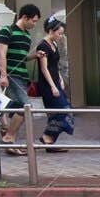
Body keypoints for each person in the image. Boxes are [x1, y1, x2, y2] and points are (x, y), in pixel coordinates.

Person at [0, 3, 40, 155]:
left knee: (17, 107)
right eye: (33, 21)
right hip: (11, 76)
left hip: (22, 76)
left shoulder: (27, 36)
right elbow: (2, 54)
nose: (34, 24)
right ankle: (9, 137)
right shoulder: (6, 31)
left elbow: (21, 57)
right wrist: (3, 75)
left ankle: (9, 138)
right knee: (25, 107)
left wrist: (35, 56)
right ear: (24, 17)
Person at [31, 14, 72, 151]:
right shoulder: (42, 46)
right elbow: (44, 68)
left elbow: (55, 65)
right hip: (47, 84)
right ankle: (47, 137)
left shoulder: (53, 44)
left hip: (55, 80)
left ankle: (50, 140)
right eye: (59, 33)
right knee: (61, 110)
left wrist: (59, 78)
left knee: (60, 110)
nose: (60, 36)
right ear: (51, 31)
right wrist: (53, 86)